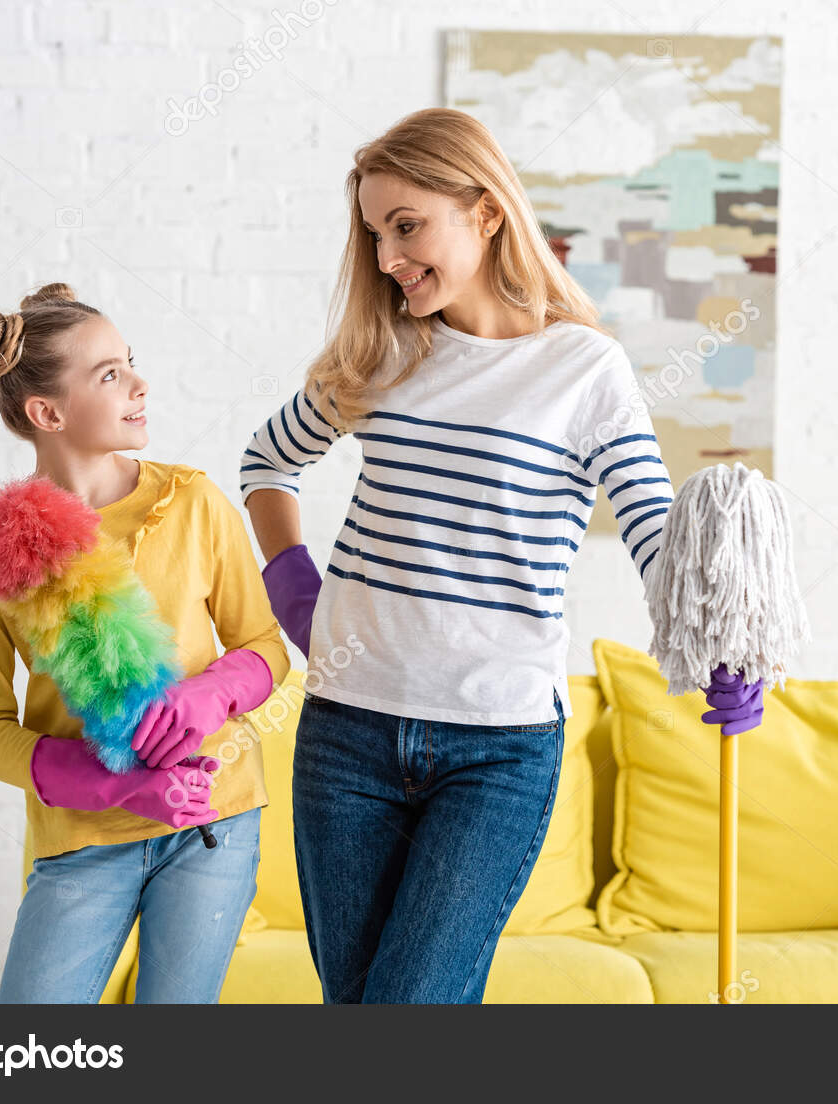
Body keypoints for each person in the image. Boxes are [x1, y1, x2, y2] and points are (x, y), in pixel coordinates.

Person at [241, 108, 763, 1004]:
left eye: (408, 227)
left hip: (497, 748)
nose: (388, 256)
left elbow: (652, 531)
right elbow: (266, 462)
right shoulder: (379, 352)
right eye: (375, 234)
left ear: (486, 212)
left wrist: (717, 642)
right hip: (345, 731)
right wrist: (294, 586)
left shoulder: (584, 369)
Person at [0, 282, 289, 1003]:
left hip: (212, 823)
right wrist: (121, 783)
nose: (140, 383)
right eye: (110, 374)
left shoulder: (192, 502)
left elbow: (264, 644)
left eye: (130, 362)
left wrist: (208, 695)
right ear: (48, 412)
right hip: (82, 839)